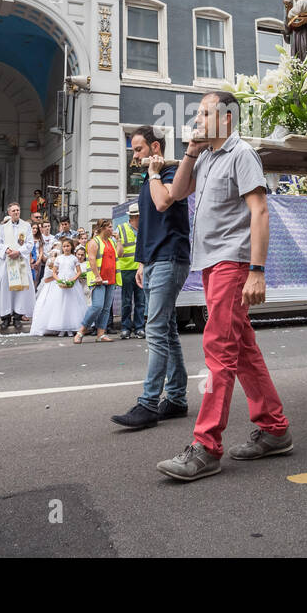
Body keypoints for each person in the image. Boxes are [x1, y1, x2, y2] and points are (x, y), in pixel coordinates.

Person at [156, 91, 291, 481]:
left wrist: (257, 270)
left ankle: (206, 446)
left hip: (233, 264)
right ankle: (275, 428)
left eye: (205, 113)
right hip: (212, 265)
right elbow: (176, 194)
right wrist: (190, 152)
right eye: (196, 113)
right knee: (243, 349)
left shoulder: (241, 154)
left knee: (219, 350)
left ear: (228, 119)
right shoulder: (208, 156)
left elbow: (260, 211)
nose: (197, 118)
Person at [111, 125, 195, 429]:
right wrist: (142, 263)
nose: (134, 156)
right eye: (133, 150)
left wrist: (157, 173)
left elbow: (163, 203)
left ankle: (148, 403)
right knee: (168, 330)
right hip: (155, 260)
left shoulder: (171, 174)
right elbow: (147, 224)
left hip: (171, 257)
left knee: (156, 330)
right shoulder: (149, 178)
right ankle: (175, 399)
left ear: (155, 148)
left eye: (138, 149)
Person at [76, 219, 119, 343]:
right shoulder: (94, 242)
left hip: (111, 278)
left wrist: (119, 241)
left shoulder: (111, 241)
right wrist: (97, 276)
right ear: (102, 228)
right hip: (99, 279)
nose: (112, 229)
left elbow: (119, 255)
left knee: (106, 308)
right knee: (97, 306)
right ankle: (81, 331)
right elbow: (92, 260)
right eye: (110, 227)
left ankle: (101, 333)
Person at [31, 239, 85, 336]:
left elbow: (79, 271)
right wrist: (59, 280)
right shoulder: (59, 258)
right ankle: (61, 328)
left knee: (71, 305)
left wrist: (73, 279)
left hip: (72, 283)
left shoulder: (74, 258)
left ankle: (70, 328)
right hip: (60, 283)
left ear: (71, 247)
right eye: (64, 246)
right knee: (60, 305)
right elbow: (54, 272)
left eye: (68, 246)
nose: (66, 248)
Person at [0, 202, 36, 332]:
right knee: (6, 289)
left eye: (18, 210)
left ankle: (17, 317)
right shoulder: (3, 227)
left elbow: (30, 243)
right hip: (8, 262)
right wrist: (7, 250)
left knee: (20, 290)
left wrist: (19, 251)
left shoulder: (26, 226)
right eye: (13, 210)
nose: (16, 212)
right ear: (9, 212)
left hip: (20, 262)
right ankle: (5, 317)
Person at [115, 205, 144, 339]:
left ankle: (139, 328)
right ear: (135, 217)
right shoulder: (121, 229)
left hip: (141, 269)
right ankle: (126, 328)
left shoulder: (144, 228)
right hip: (127, 270)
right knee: (127, 301)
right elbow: (117, 251)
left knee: (140, 301)